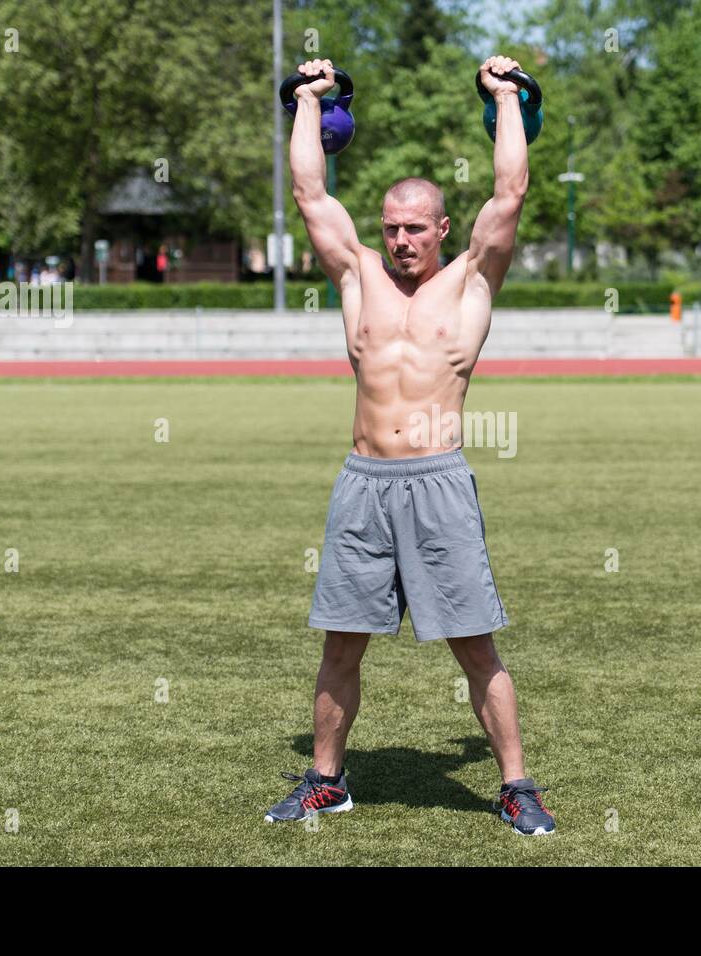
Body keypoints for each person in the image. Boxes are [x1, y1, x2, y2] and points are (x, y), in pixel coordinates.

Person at [263, 56, 554, 836]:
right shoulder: (356, 275)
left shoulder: (472, 280)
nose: (399, 241)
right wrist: (305, 99)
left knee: (475, 648)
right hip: (363, 482)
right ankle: (327, 780)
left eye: (414, 228)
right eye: (390, 227)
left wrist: (504, 97)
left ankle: (516, 786)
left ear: (443, 228)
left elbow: (511, 193)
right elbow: (310, 193)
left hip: (437, 482)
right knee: (340, 647)